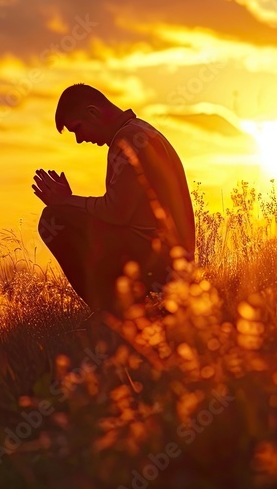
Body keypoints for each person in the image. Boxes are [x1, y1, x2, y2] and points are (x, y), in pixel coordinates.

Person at [32, 84, 195, 315]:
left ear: (93, 113)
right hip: (171, 259)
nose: (79, 139)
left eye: (77, 129)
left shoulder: (129, 138)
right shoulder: (141, 131)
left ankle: (112, 316)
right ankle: (125, 310)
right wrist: (70, 202)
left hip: (162, 264)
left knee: (54, 218)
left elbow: (117, 212)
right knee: (66, 214)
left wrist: (66, 201)